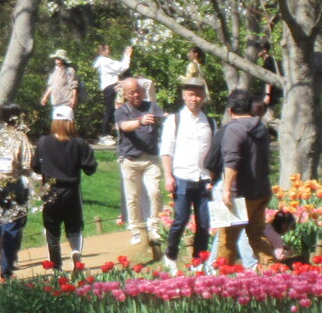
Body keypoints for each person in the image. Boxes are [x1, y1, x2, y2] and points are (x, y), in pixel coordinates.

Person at [217, 88, 280, 269]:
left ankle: (221, 283)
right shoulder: (260, 127)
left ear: (230, 110)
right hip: (261, 191)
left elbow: (232, 161)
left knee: (227, 240)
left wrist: (227, 190)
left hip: (240, 193)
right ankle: (273, 272)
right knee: (256, 235)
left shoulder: (234, 129)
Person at [158, 77, 214, 270]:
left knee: (204, 223)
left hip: (204, 178)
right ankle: (171, 254)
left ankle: (198, 261)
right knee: (181, 219)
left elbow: (215, 152)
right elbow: (166, 149)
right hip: (182, 177)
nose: (195, 99)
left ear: (204, 97)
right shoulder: (175, 120)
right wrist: (168, 176)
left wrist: (214, 177)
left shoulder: (210, 122)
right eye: (191, 94)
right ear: (184, 96)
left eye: (198, 95)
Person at [32, 105, 96, 271]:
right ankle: (75, 252)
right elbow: (90, 168)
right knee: (74, 228)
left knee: (52, 232)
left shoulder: (43, 142)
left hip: (50, 192)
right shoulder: (79, 143)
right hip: (71, 192)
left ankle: (56, 266)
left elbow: (35, 166)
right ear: (71, 122)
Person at [0, 104, 33, 283]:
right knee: (12, 229)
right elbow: (27, 164)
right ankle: (6, 272)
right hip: (12, 189)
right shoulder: (19, 138)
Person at [111, 75, 164, 247]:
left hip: (151, 159)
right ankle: (135, 229)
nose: (136, 95)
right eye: (132, 92)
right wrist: (141, 121)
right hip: (130, 159)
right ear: (125, 94)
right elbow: (124, 126)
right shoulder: (121, 111)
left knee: (155, 192)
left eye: (139, 91)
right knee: (132, 197)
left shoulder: (152, 106)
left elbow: (163, 118)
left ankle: (155, 227)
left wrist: (166, 118)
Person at [92, 42, 131, 144]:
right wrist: (127, 56)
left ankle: (115, 132)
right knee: (110, 111)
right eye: (107, 49)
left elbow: (118, 70)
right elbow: (122, 67)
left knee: (114, 110)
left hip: (110, 87)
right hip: (111, 88)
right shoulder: (106, 61)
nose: (109, 51)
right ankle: (104, 135)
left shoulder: (102, 61)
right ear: (102, 51)